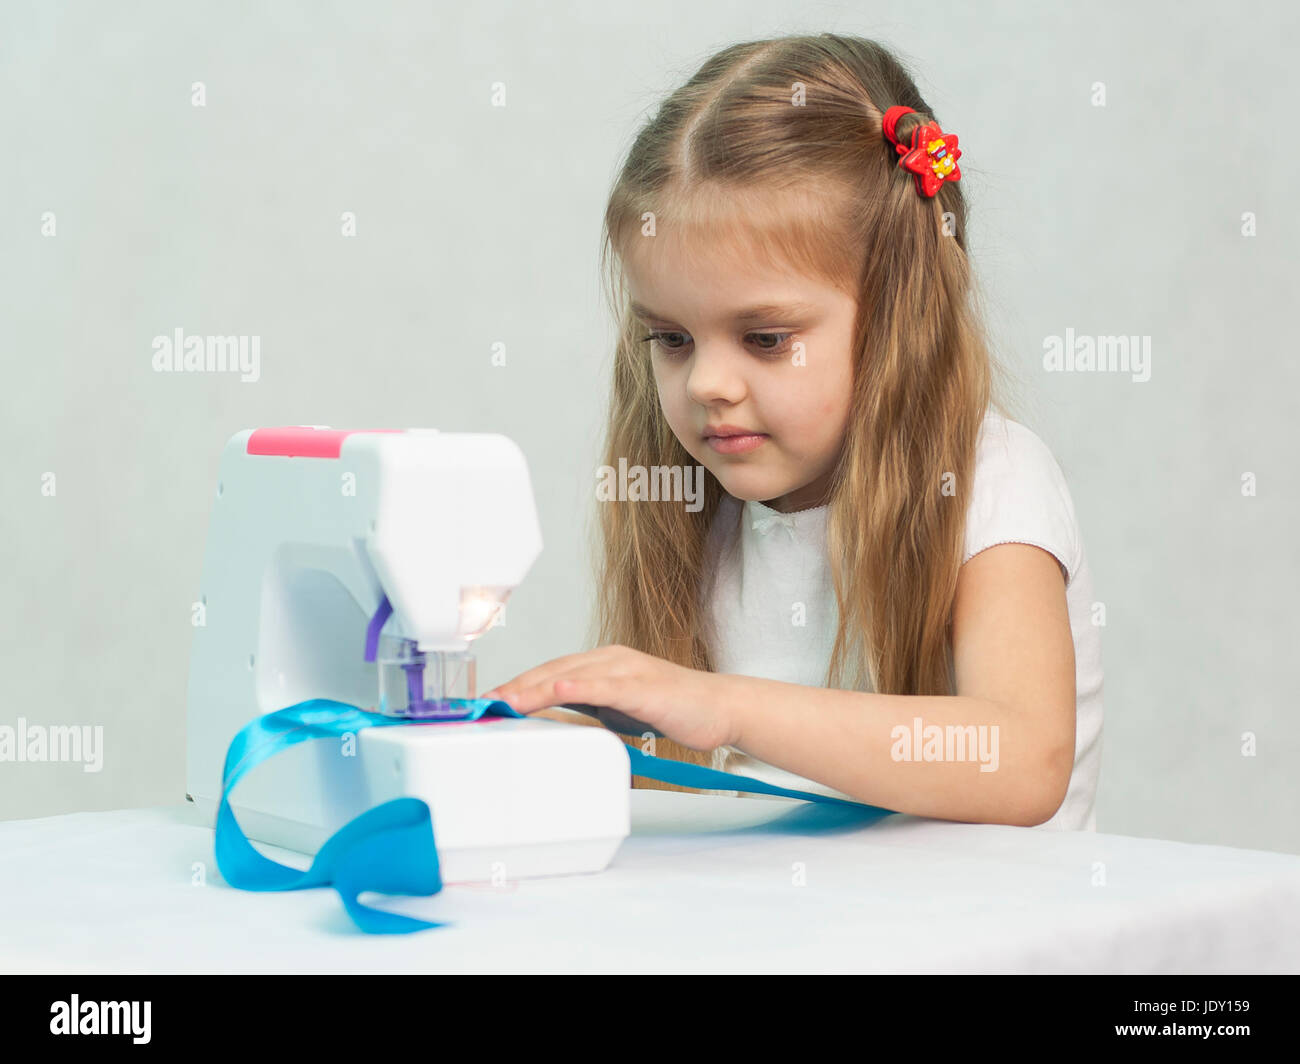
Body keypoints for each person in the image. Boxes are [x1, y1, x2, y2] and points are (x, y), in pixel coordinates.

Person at [483, 33, 1103, 831]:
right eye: (671, 339)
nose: (706, 383)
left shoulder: (992, 480)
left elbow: (1020, 761)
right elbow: (710, 780)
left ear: (897, 319)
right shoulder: (702, 502)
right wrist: (566, 737)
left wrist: (721, 708)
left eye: (766, 339)